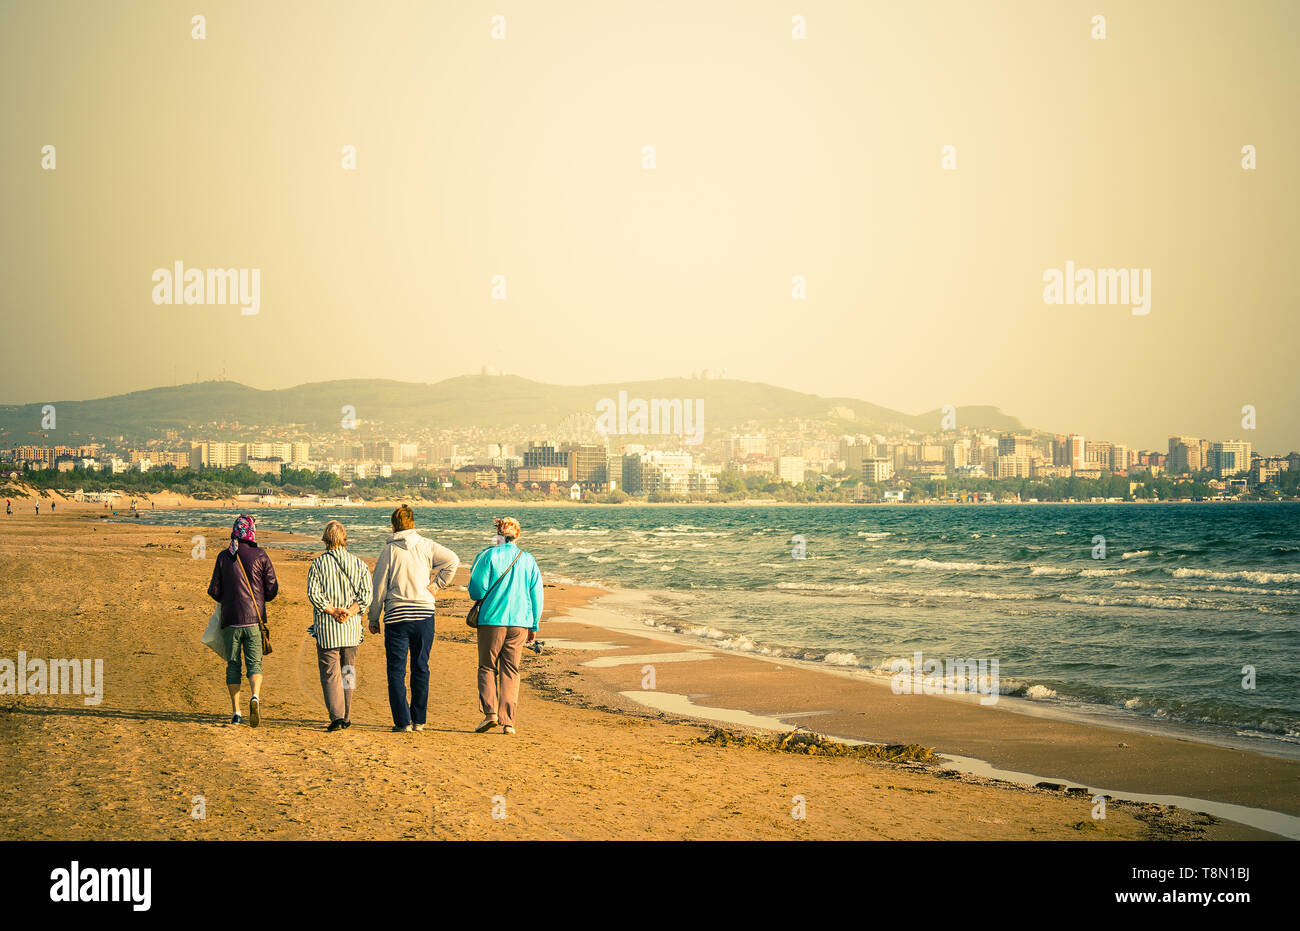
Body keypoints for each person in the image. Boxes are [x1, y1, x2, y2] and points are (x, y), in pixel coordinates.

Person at [368, 505, 459, 732]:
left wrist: (373, 616)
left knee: (396, 670)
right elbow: (452, 561)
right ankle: (419, 720)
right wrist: (436, 585)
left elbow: (378, 586)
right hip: (424, 613)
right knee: (421, 666)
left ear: (393, 525)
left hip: (397, 616)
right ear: (412, 523)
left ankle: (402, 721)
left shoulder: (389, 551)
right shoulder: (426, 545)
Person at [467, 517, 544, 735]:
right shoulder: (528, 559)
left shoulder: (488, 555)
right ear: (518, 535)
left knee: (487, 666)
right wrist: (534, 623)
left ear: (498, 534)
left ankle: (490, 713)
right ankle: (508, 721)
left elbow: (476, 590)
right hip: (519, 622)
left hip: (492, 620)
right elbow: (536, 593)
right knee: (511, 670)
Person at [207, 514, 279, 726]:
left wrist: (229, 599)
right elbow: (272, 590)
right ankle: (255, 697)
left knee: (233, 665)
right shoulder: (260, 555)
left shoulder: (223, 556)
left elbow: (214, 590)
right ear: (251, 530)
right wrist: (259, 597)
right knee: (254, 663)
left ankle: (236, 712)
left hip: (230, 620)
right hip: (254, 620)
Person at [307, 520, 373, 731]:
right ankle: (346, 714)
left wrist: (333, 611)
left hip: (328, 627)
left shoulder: (318, 564)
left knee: (330, 673)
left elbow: (314, 594)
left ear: (326, 539)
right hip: (352, 629)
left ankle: (337, 716)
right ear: (344, 539)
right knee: (348, 671)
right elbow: (366, 595)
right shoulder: (359, 564)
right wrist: (350, 611)